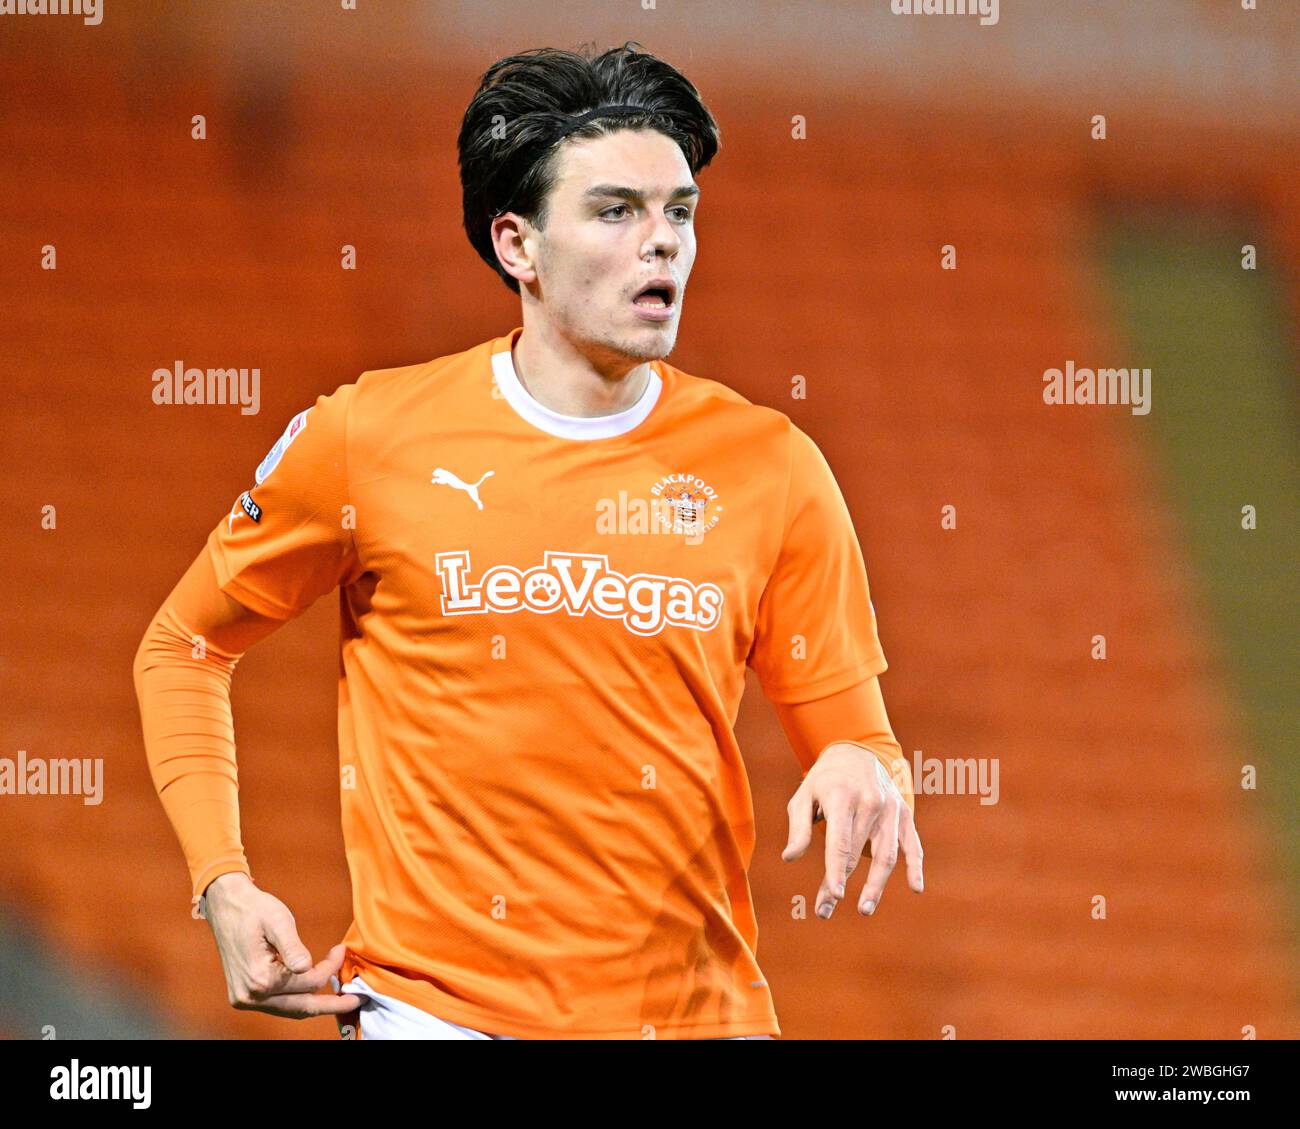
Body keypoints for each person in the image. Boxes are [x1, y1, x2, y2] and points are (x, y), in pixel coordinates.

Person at [133, 40, 923, 1041]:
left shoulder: (772, 467)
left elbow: (859, 741)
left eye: (679, 211)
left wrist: (865, 767)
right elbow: (184, 647)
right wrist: (222, 882)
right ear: (517, 245)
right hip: (433, 1016)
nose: (664, 243)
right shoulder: (367, 438)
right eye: (616, 211)